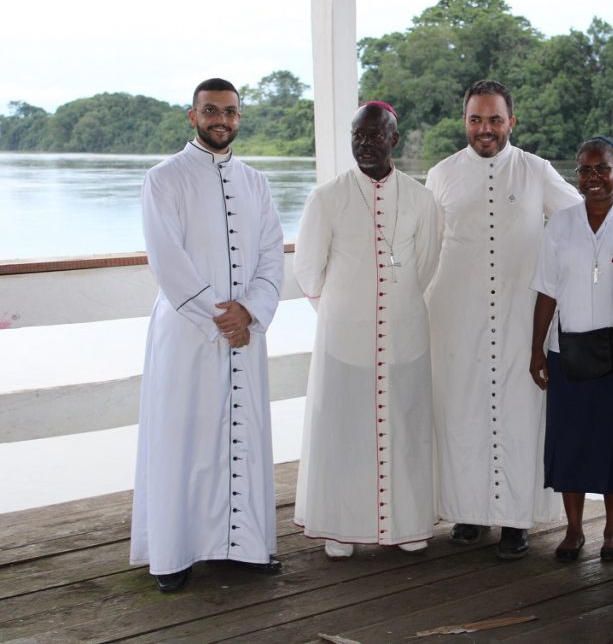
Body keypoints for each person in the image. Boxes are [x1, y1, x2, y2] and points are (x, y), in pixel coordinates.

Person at [130, 78, 285, 592]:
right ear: (193, 116)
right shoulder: (163, 179)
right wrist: (221, 317)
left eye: (230, 112)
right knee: (183, 439)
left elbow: (272, 255)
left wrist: (251, 311)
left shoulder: (256, 182)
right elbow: (166, 259)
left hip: (245, 332)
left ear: (239, 117)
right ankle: (174, 553)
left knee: (243, 436)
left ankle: (243, 546)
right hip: (189, 335)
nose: (222, 120)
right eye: (212, 111)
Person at [425, 80, 582, 559]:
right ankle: (468, 512)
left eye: (495, 119)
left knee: (520, 417)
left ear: (511, 121)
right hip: (457, 319)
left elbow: (581, 220)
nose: (485, 129)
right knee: (463, 416)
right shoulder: (442, 174)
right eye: (476, 119)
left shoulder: (536, 170)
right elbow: (423, 246)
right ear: (465, 121)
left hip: (520, 318)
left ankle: (517, 520)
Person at [292, 101, 439, 558]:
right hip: (344, 337)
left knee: (406, 428)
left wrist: (391, 307)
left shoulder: (420, 198)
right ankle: (340, 527)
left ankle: (408, 523)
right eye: (358, 135)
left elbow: (426, 265)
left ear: (394, 138)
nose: (366, 144)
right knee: (344, 431)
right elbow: (308, 270)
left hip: (404, 333)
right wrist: (343, 311)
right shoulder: (326, 197)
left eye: (375, 135)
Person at [529, 136, 613, 562]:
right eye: (585, 170)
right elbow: (546, 291)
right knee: (569, 441)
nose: (594, 178)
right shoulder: (560, 224)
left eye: (602, 169)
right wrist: (536, 350)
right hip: (566, 350)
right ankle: (573, 530)